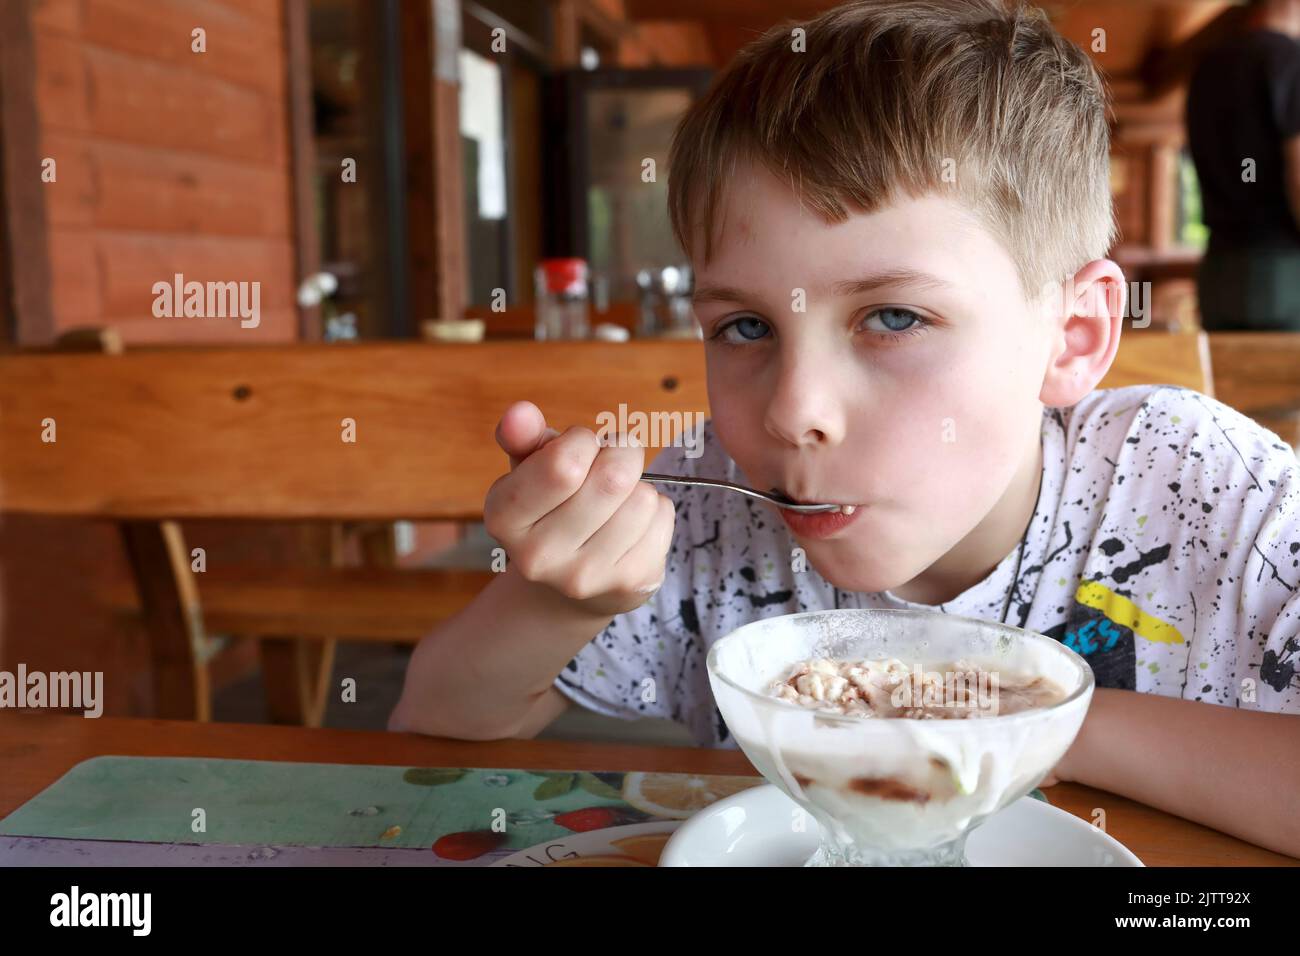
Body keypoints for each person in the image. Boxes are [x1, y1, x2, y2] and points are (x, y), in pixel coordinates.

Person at [391, 0, 1300, 858]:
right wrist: (555, 601)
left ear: (1074, 334)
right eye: (745, 328)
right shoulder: (707, 516)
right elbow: (432, 739)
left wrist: (1042, 723)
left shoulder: (1200, 491)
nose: (793, 411)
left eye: (894, 318)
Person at [1186, 0, 1300, 331]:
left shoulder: (1206, 67)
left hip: (1215, 274)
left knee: (1219, 382)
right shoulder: (1290, 60)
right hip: (1280, 278)